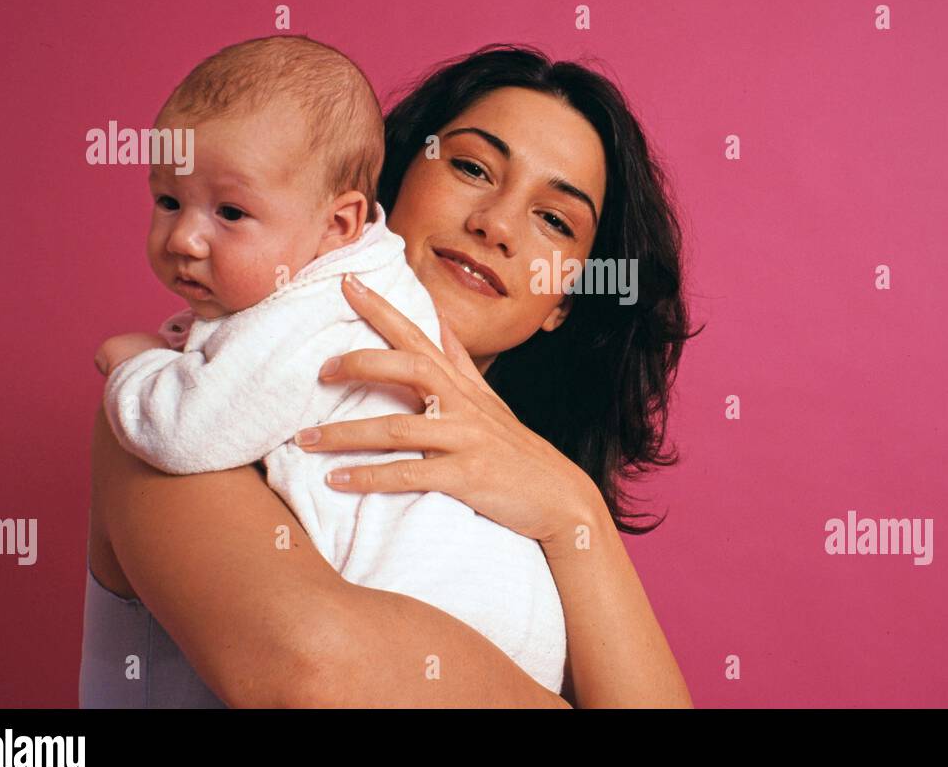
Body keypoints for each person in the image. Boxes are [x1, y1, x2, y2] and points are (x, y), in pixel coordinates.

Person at [83, 43, 698, 707]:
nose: (495, 225)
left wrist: (576, 511)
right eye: (470, 166)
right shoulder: (170, 401)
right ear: (380, 190)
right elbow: (313, 673)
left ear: (563, 303)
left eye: (554, 220)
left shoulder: (535, 517)